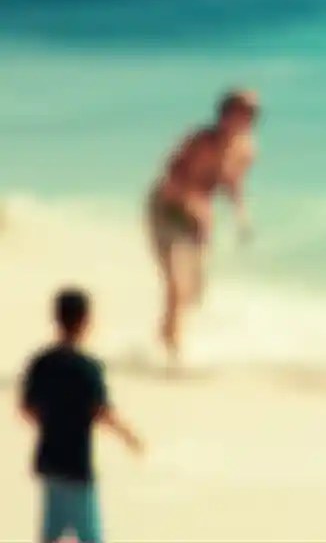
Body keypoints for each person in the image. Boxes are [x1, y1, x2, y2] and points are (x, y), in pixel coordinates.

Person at [20, 288, 144, 543]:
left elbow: (27, 409)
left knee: (51, 532)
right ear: (86, 321)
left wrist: (52, 422)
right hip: (77, 464)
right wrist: (130, 437)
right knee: (90, 535)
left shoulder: (41, 363)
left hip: (49, 460)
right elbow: (102, 412)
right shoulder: (88, 368)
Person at [147, 88, 259, 363]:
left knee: (195, 290)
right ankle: (172, 351)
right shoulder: (199, 140)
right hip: (166, 209)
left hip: (197, 216)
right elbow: (171, 176)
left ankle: (166, 335)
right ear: (224, 115)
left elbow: (233, 183)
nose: (247, 119)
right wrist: (190, 202)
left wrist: (241, 216)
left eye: (252, 115)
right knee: (176, 283)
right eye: (241, 112)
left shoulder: (246, 149)